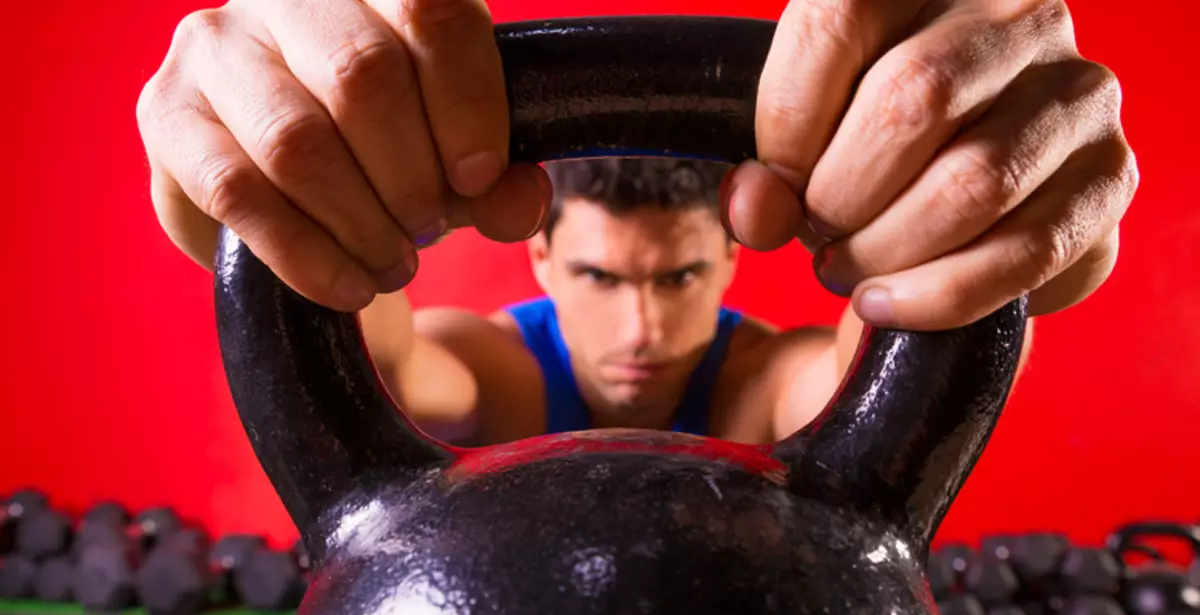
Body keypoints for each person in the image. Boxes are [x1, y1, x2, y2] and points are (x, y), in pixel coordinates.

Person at [135, 0, 1138, 445]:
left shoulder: (759, 385)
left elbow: (871, 387)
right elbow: (386, 365)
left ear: (731, 258)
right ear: (540, 255)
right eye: (603, 280)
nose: (641, 334)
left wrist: (972, 219)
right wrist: (278, 201)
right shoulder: (498, 373)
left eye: (678, 279)